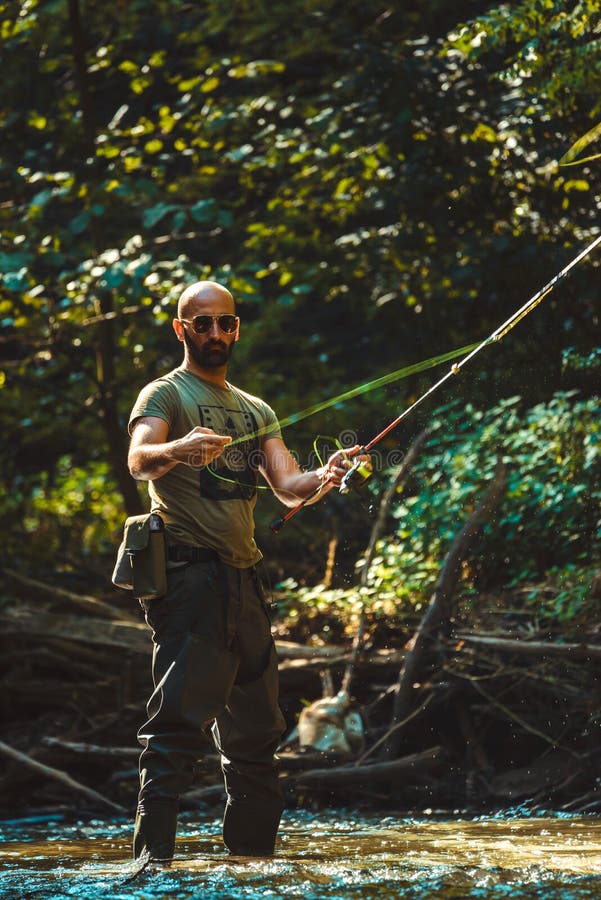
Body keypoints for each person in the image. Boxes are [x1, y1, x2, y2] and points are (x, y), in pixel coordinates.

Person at [127, 280, 359, 867]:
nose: (213, 334)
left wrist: (326, 473)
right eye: (200, 324)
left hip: (246, 585)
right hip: (189, 582)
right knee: (176, 728)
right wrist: (180, 448)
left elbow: (288, 489)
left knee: (258, 736)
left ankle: (251, 867)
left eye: (223, 323)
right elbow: (138, 461)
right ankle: (151, 868)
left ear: (236, 329)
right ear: (181, 330)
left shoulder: (256, 409)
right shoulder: (165, 394)